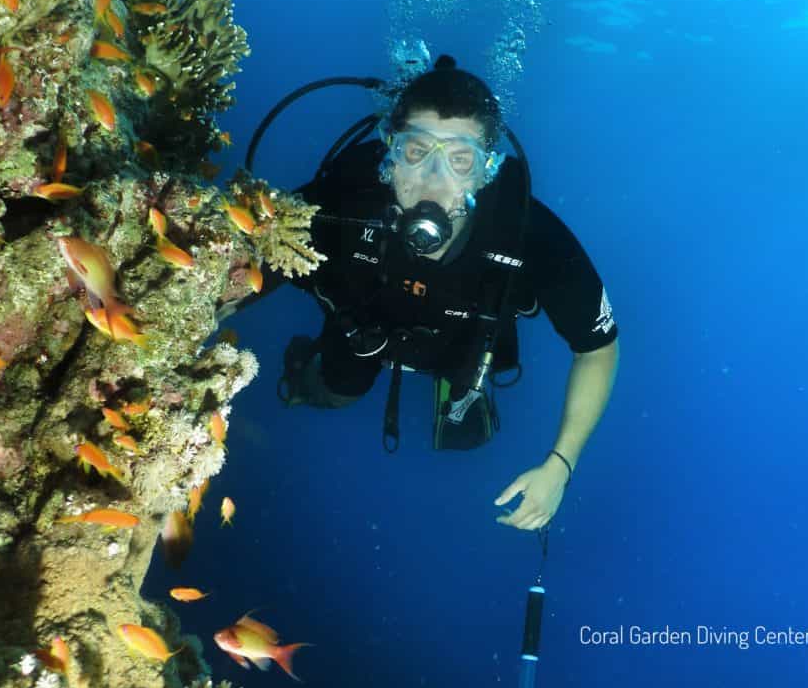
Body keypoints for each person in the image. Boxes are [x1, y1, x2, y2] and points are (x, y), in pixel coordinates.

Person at [222, 55, 619, 532]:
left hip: (461, 342)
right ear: (389, 153)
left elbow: (597, 347)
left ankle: (460, 391)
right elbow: (252, 263)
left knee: (465, 428)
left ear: (487, 170)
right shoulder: (343, 200)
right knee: (335, 390)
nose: (433, 180)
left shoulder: (528, 234)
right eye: (416, 152)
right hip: (361, 325)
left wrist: (560, 465)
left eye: (460, 160)